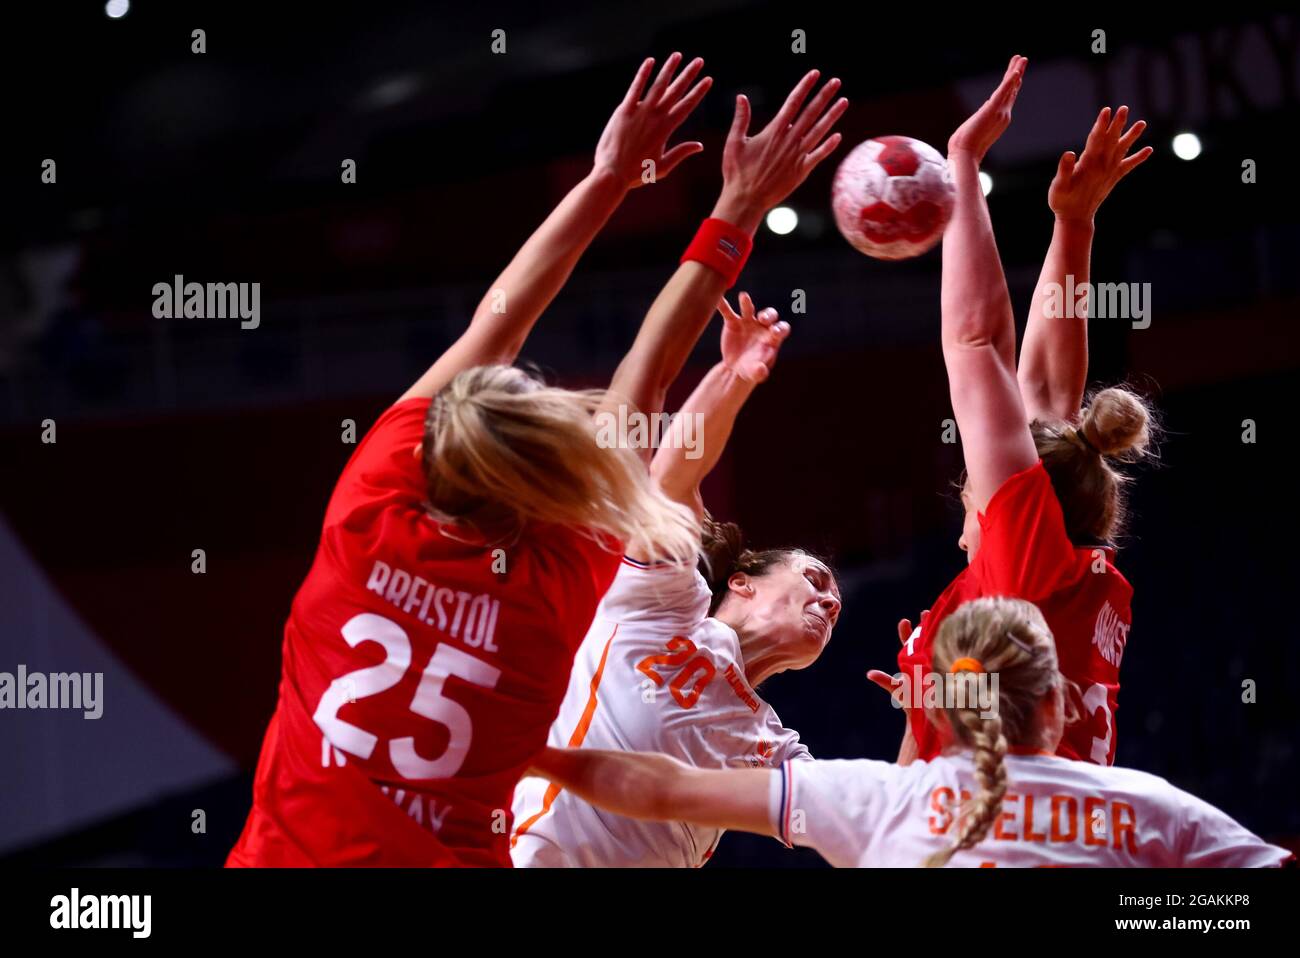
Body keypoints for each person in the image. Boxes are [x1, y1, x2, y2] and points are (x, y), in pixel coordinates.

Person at [228, 53, 750, 866]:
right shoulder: (553, 591)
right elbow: (638, 382)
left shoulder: (369, 514)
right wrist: (734, 213)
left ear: (438, 460)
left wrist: (607, 176)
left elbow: (494, 327)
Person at [527, 596, 1293, 867]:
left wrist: (530, 750)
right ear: (1058, 704)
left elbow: (660, 788)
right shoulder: (1145, 806)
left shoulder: (875, 798)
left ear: (943, 709)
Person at [871, 56, 1157, 766]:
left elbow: (978, 346)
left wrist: (962, 168)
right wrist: (1074, 224)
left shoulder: (1023, 569)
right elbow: (1045, 398)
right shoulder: (1056, 575)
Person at [511, 292, 842, 866]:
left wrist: (927, 722)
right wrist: (734, 378)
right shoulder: (665, 604)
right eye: (814, 579)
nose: (830, 600)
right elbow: (672, 477)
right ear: (742, 583)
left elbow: (869, 819)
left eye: (835, 600)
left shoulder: (774, 745)